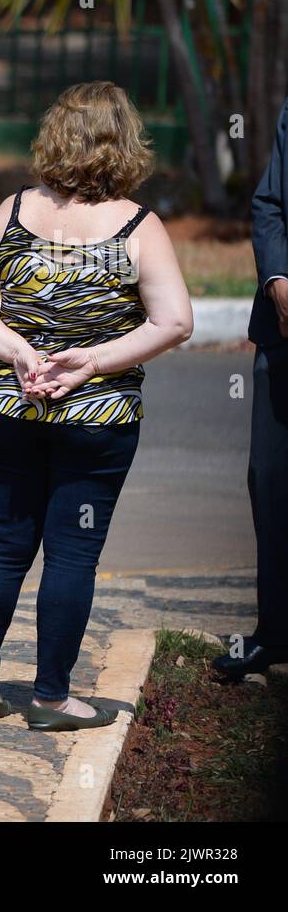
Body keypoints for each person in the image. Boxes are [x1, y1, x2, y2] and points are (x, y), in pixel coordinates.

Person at [0, 81, 193, 731]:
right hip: (98, 419)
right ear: (126, 143)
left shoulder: (13, 211)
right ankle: (51, 697)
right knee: (72, 553)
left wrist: (20, 352)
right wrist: (93, 360)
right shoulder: (140, 226)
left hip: (11, 407)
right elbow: (174, 323)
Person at [216, 96, 288, 678]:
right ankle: (276, 630)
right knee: (271, 478)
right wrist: (278, 279)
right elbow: (269, 205)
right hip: (284, 332)